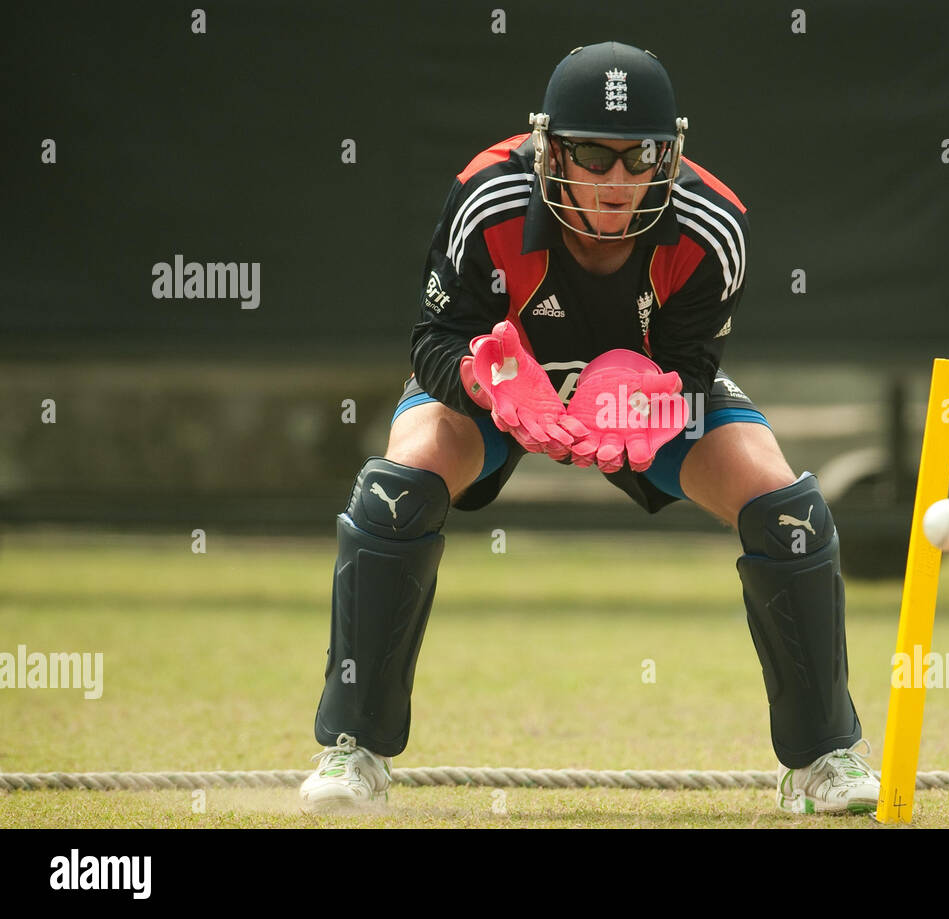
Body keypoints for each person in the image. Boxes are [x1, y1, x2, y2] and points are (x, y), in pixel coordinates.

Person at [299, 41, 879, 816]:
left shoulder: (714, 227)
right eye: (592, 156)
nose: (618, 179)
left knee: (785, 500)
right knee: (402, 480)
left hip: (643, 399)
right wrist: (484, 377)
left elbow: (695, 366)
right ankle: (354, 750)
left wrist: (656, 393)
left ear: (668, 153)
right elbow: (433, 340)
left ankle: (823, 758)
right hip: (509, 384)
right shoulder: (487, 196)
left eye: (640, 155)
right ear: (549, 150)